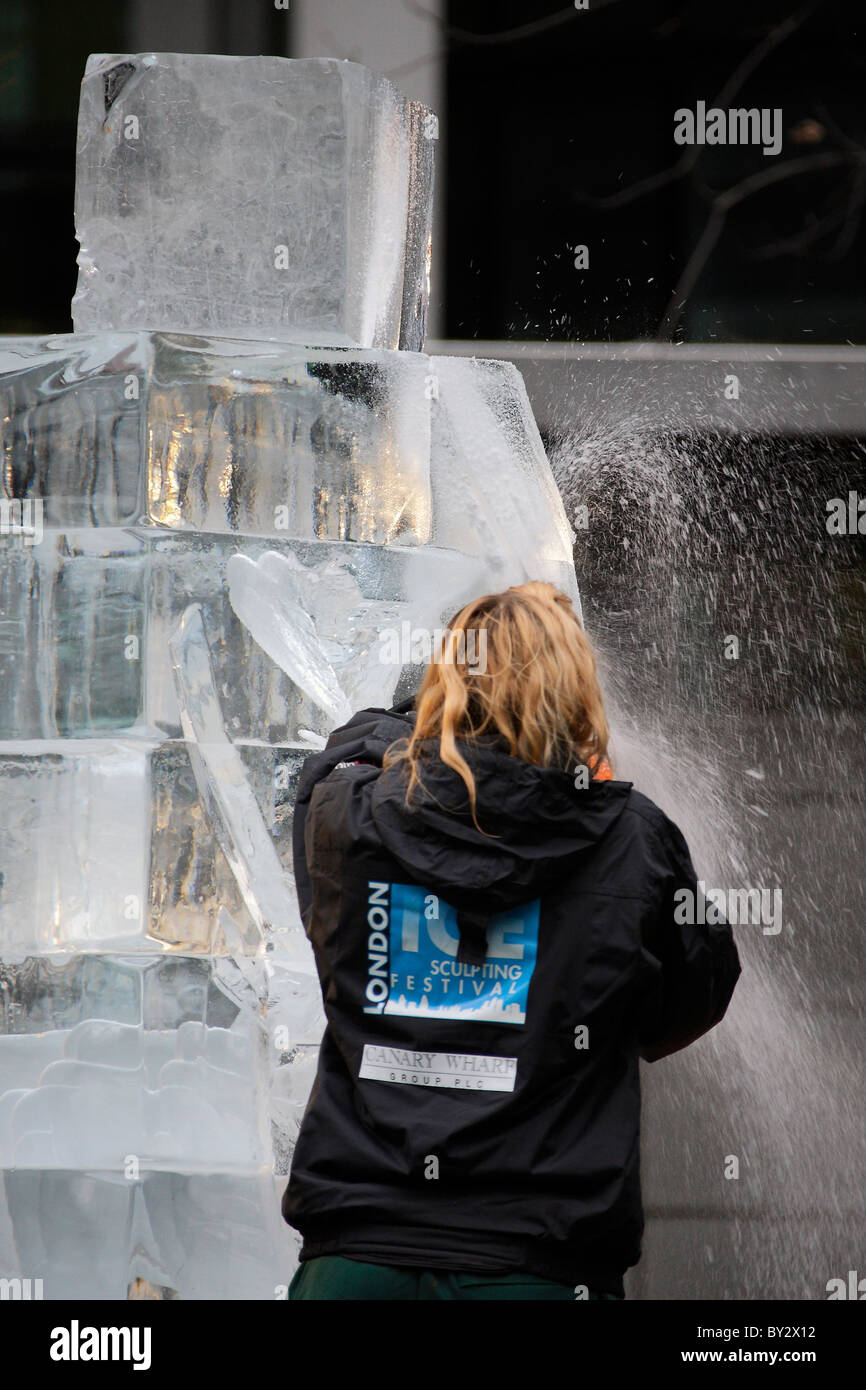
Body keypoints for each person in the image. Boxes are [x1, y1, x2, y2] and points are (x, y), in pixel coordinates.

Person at [283, 580, 741, 1301]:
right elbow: (691, 1004)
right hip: (539, 1266)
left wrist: (423, 726)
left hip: (356, 1261)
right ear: (577, 694)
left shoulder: (348, 817)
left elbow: (341, 755)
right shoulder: (633, 839)